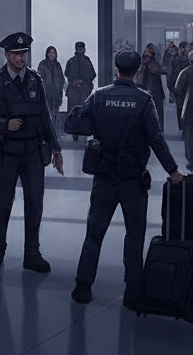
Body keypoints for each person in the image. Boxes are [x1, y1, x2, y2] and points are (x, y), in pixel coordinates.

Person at [65, 49, 184, 307]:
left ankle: (83, 288)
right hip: (133, 179)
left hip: (104, 177)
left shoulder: (99, 96)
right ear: (138, 71)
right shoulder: (143, 99)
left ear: (116, 70)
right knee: (134, 235)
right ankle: (132, 292)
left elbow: (76, 124)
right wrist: (172, 170)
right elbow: (155, 139)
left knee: (94, 235)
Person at [0, 32, 65, 272]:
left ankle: (32, 254)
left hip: (32, 153)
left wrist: (55, 147)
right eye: (16, 54)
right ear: (7, 55)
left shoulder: (35, 80)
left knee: (35, 203)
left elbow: (45, 116)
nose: (21, 58)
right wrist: (4, 125)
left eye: (23, 53)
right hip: (6, 152)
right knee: (3, 204)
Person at [64, 41, 97, 134]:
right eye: (78, 48)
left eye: (81, 48)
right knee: (72, 110)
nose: (80, 50)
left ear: (84, 49)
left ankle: (81, 130)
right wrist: (74, 82)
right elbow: (66, 74)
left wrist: (83, 82)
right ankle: (73, 131)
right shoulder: (71, 61)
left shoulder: (87, 60)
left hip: (83, 89)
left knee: (83, 110)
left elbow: (92, 74)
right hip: (74, 90)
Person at [140, 44, 167, 132]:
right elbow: (155, 70)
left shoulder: (146, 62)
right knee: (156, 110)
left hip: (151, 88)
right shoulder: (151, 62)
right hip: (153, 89)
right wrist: (163, 70)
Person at [37, 46, 65, 131]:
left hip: (56, 93)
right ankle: (46, 132)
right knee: (46, 113)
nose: (51, 55)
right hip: (46, 93)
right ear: (47, 53)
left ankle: (54, 131)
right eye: (50, 52)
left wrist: (61, 90)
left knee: (55, 114)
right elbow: (39, 78)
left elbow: (61, 79)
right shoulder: (43, 64)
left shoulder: (57, 65)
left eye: (53, 53)